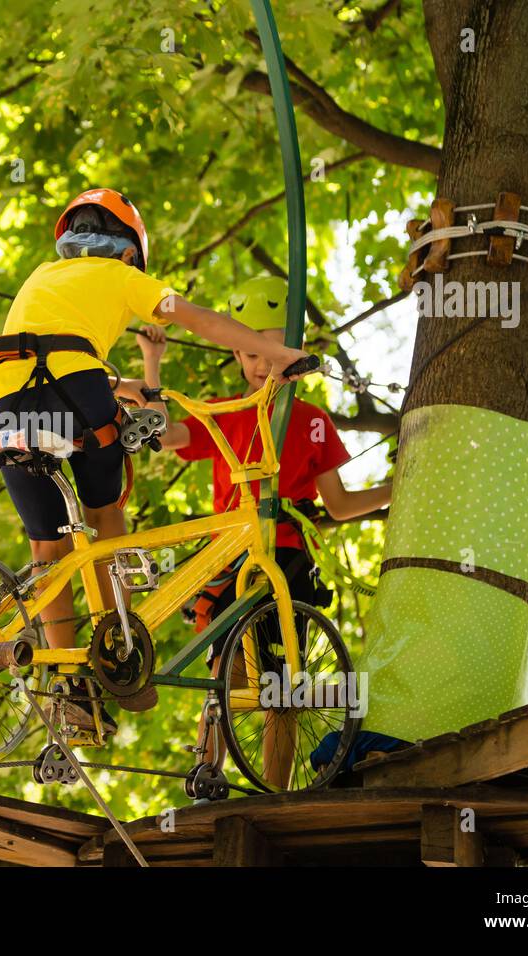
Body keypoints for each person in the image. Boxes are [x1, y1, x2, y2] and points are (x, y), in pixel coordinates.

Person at [0, 192, 311, 734]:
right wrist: (278, 355)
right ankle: (121, 645)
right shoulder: (122, 277)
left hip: (4, 398)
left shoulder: (43, 275)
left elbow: (47, 348)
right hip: (73, 389)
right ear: (131, 251)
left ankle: (70, 684)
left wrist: (121, 384)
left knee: (48, 547)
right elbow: (199, 319)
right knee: (106, 513)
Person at [116, 274, 392, 785]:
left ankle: (276, 791)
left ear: (298, 350)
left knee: (282, 687)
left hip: (287, 560)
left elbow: (341, 503)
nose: (262, 364)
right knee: (227, 671)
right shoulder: (228, 415)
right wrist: (151, 363)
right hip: (233, 554)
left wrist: (400, 487)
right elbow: (169, 433)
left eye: (272, 350)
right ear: (238, 357)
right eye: (251, 354)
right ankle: (205, 772)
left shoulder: (312, 422)